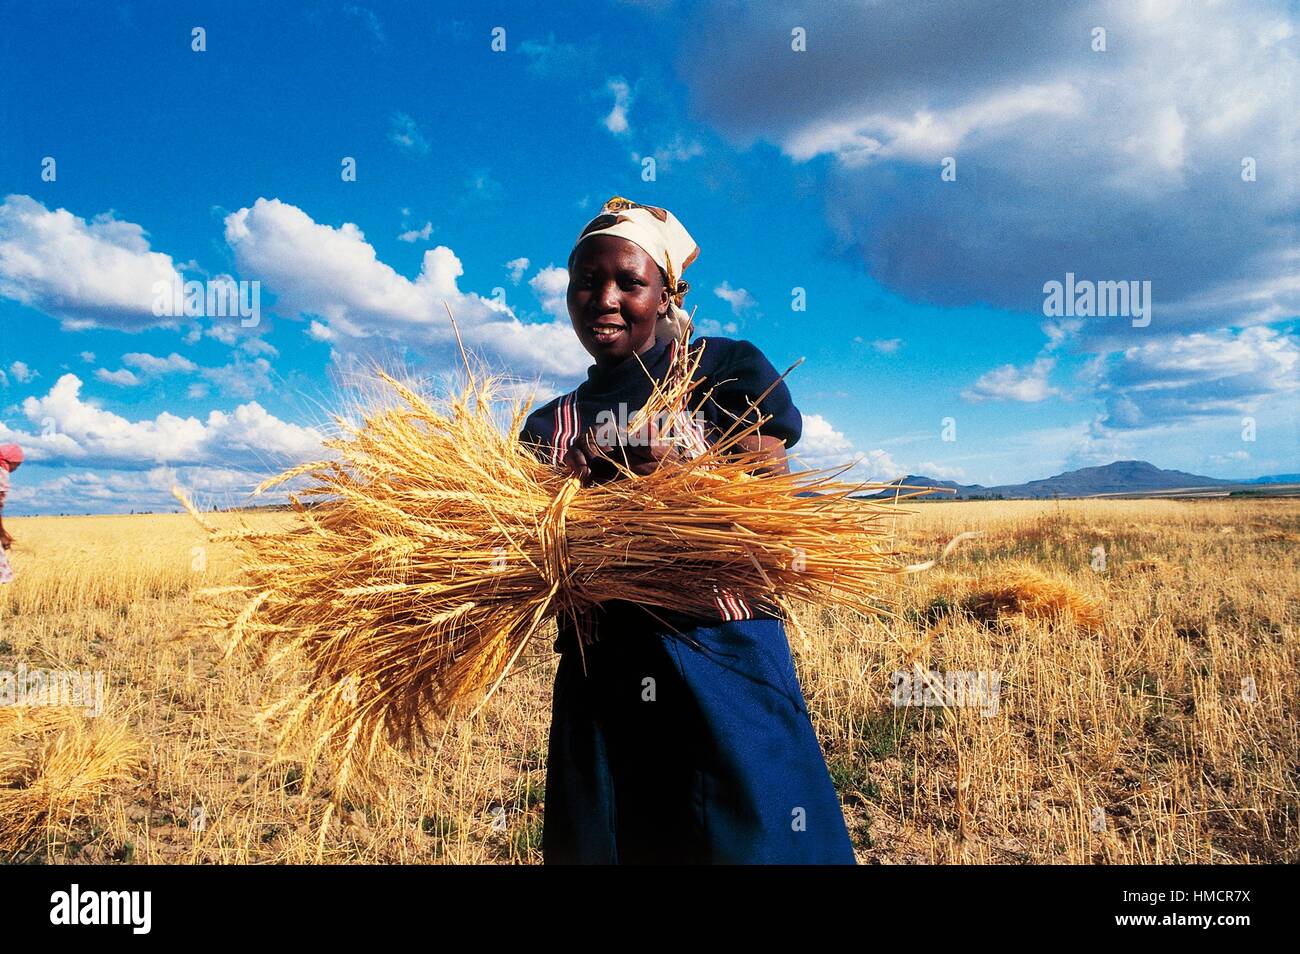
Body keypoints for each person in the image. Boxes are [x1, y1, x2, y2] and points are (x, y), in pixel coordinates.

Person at [519, 195, 856, 864]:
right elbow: (527, 564)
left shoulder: (724, 372)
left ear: (665, 292)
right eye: (586, 280)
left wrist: (681, 479)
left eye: (628, 281)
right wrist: (561, 504)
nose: (603, 298)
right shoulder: (548, 426)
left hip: (720, 659)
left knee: (745, 843)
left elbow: (773, 509)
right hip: (601, 674)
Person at [0, 443, 23, 585]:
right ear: (11, 460)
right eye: (17, 464)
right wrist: (2, 535)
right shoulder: (2, 474)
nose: (17, 468)